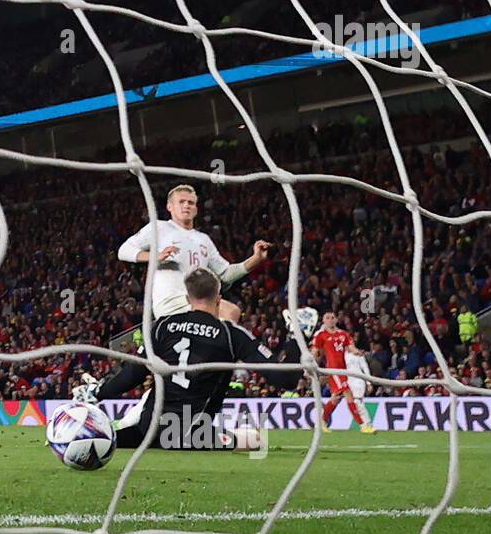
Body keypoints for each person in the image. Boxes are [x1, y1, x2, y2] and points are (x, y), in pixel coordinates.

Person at [78, 269, 300, 451]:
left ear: (187, 298)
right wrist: (296, 338)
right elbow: (286, 379)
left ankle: (75, 435)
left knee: (114, 438)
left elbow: (132, 374)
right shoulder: (230, 334)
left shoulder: (163, 326)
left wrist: (99, 392)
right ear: (218, 298)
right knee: (255, 440)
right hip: (190, 435)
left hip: (148, 431)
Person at [117, 184, 270, 324]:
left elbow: (225, 273)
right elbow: (124, 251)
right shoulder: (159, 228)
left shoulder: (203, 239)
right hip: (172, 302)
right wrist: (155, 256)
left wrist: (256, 259)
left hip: (197, 301)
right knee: (226, 315)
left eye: (191, 203)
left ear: (196, 209)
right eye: (181, 202)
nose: (186, 206)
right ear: (169, 206)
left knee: (233, 312)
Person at [312, 312, 374, 433]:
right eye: (327, 318)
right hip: (333, 370)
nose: (330, 320)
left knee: (336, 398)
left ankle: (321, 422)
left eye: (333, 318)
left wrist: (357, 352)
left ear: (336, 320)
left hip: (343, 370)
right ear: (323, 321)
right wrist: (313, 363)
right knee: (348, 393)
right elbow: (315, 351)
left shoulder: (343, 334)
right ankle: (363, 425)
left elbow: (350, 347)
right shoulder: (320, 335)